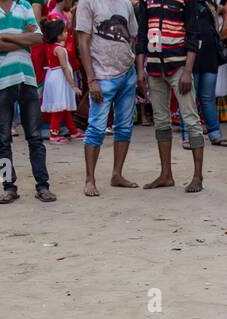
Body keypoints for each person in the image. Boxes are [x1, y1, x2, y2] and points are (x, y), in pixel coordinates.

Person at [0, 0, 55, 201]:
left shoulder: (24, 5)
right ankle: (8, 186)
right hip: (1, 80)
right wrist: (22, 39)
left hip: (26, 77)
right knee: (3, 138)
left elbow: (38, 38)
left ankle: (42, 185)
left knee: (35, 137)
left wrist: (4, 36)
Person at [137, 0, 206, 190]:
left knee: (191, 119)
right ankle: (166, 174)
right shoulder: (146, 2)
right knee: (161, 120)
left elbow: (194, 36)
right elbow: (141, 37)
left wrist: (188, 71)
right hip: (154, 68)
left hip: (179, 67)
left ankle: (197, 177)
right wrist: (140, 70)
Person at [77, 0, 138, 194]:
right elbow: (83, 41)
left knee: (124, 126)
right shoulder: (88, 2)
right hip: (102, 75)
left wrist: (131, 58)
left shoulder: (125, 4)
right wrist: (91, 78)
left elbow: (132, 35)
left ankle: (117, 174)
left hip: (127, 72)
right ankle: (90, 179)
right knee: (96, 127)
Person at [186, 0, 227, 145]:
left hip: (209, 55)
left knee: (208, 97)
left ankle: (215, 134)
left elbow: (218, 31)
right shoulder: (186, 4)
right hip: (191, 56)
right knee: (189, 99)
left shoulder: (211, 6)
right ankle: (189, 136)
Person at [41, 18, 81, 140]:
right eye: (63, 32)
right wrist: (73, 85)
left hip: (53, 76)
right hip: (60, 79)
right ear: (58, 35)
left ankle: (73, 130)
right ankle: (54, 133)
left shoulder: (51, 47)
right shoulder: (59, 50)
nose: (66, 33)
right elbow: (65, 67)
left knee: (62, 105)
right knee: (59, 106)